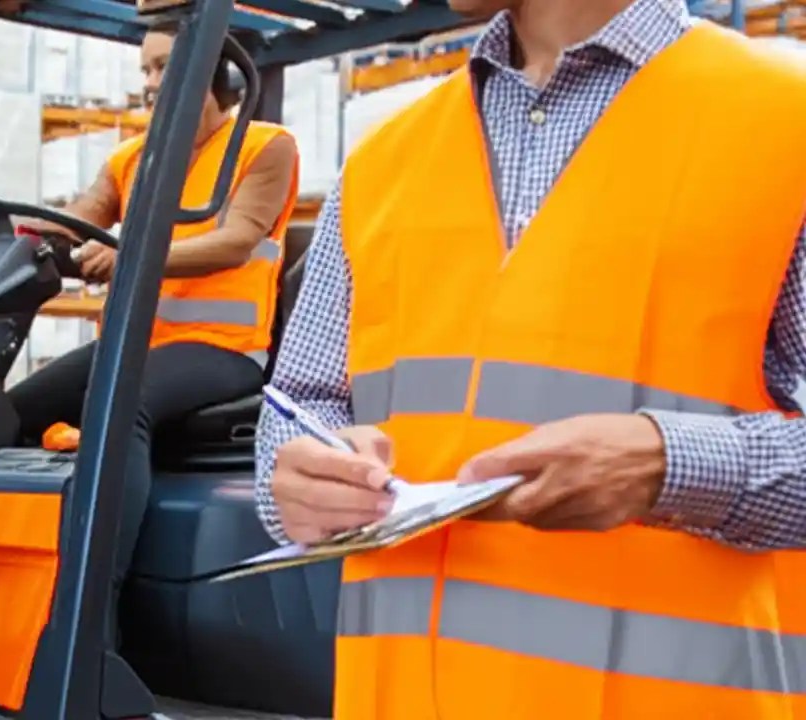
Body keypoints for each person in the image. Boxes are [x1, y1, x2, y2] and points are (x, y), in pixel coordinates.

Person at [256, 0, 806, 717]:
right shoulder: (385, 159)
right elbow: (301, 403)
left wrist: (672, 465)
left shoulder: (783, 123)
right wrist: (295, 477)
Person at [0, 18, 301, 643]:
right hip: (138, 346)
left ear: (211, 72)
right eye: (145, 67)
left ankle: (94, 607)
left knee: (125, 402)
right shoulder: (134, 157)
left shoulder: (264, 146)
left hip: (227, 352)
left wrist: (135, 253)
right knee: (10, 410)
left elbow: (237, 239)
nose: (149, 81)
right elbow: (78, 219)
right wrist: (3, 230)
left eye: (164, 66)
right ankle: (14, 568)